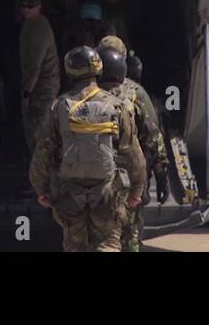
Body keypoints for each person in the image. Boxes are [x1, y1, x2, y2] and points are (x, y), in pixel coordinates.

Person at [30, 46, 146, 252]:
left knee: (75, 245)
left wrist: (41, 189)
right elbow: (132, 153)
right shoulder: (116, 106)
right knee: (109, 242)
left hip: (69, 192)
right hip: (107, 191)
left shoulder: (59, 106)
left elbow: (43, 151)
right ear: (98, 69)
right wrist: (137, 189)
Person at [96, 43, 168, 252]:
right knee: (129, 235)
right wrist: (161, 172)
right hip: (128, 177)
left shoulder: (80, 95)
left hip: (90, 181)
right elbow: (152, 137)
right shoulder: (135, 94)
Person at [18, 0, 60, 158]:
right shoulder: (30, 24)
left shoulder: (39, 28)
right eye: (23, 6)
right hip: (36, 86)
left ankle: (42, 180)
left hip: (42, 88)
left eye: (30, 6)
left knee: (38, 134)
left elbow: (35, 66)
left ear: (39, 7)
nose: (26, 9)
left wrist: (26, 93)